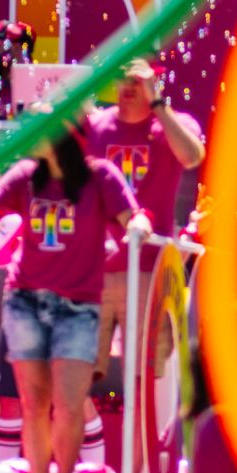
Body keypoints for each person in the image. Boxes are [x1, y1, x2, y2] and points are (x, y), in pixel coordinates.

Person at [0, 127, 147, 473]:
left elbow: (130, 214)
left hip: (79, 305)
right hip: (25, 301)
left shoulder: (99, 175)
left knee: (69, 404)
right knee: (32, 402)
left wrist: (137, 225)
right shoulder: (25, 174)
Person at [85, 59, 205, 378]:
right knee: (75, 374)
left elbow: (192, 156)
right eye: (122, 78)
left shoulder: (172, 124)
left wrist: (158, 105)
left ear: (154, 83)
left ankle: (139, 433)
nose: (127, 87)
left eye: (137, 81)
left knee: (144, 382)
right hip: (93, 272)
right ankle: (93, 431)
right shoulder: (95, 126)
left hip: (148, 271)